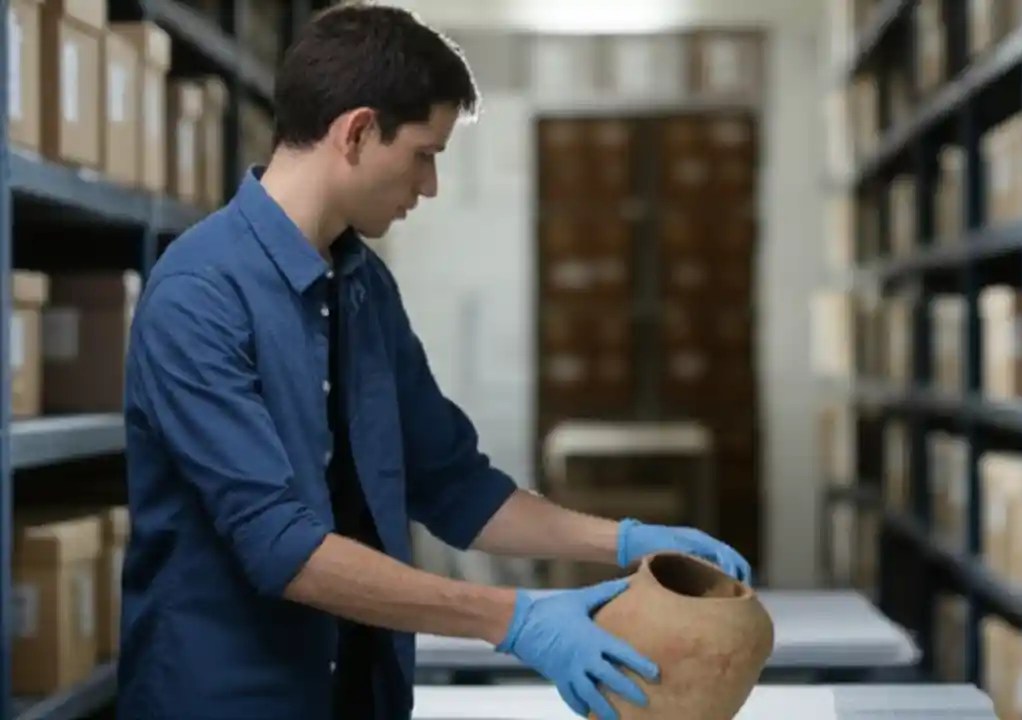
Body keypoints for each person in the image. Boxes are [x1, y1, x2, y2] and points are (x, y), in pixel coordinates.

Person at [117, 5, 751, 720]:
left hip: (362, 695)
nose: (430, 185)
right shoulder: (198, 295)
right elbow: (281, 547)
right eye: (425, 154)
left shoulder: (361, 287)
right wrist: (513, 618)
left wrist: (628, 541)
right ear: (356, 132)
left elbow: (455, 486)